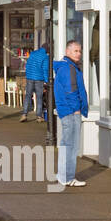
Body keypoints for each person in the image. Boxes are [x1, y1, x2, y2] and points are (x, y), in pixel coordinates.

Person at [53, 39, 89, 187]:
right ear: (67, 52)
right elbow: (71, 90)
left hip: (67, 110)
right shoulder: (69, 68)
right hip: (71, 112)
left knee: (67, 145)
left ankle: (63, 175)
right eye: (75, 50)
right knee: (71, 146)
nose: (79, 54)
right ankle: (67, 177)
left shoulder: (68, 67)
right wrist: (76, 109)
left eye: (80, 51)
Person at [22, 43, 49, 123]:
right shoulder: (45, 57)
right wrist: (46, 81)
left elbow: (28, 65)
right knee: (39, 97)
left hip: (29, 77)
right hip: (39, 79)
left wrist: (28, 75)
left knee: (28, 96)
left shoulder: (33, 53)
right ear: (47, 49)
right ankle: (38, 116)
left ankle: (24, 114)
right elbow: (45, 70)